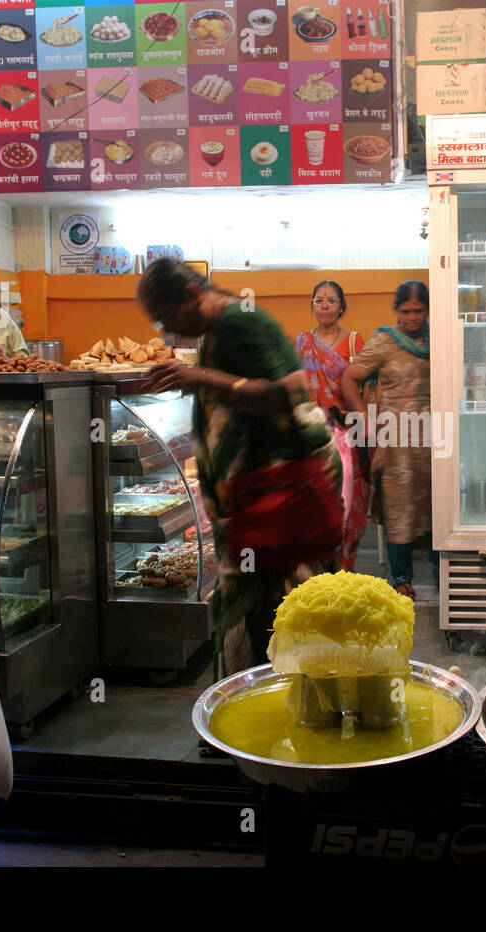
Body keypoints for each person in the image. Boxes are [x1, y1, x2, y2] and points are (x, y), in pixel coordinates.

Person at [135, 259, 341, 671]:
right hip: (260, 499)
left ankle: (275, 707)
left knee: (278, 616)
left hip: (278, 497)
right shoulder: (220, 326)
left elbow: (285, 393)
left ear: (191, 296)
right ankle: (268, 702)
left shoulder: (237, 322)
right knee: (267, 616)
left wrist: (197, 377)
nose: (169, 332)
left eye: (167, 319)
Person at [341, 280, 434, 600]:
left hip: (435, 440)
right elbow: (349, 378)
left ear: (427, 309)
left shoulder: (439, 338)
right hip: (396, 444)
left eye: (418, 311)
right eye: (406, 311)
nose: (412, 317)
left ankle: (443, 576)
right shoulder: (384, 341)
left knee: (439, 511)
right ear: (397, 310)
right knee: (399, 509)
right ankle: (402, 579)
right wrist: (363, 418)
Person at [293, 280, 369, 570]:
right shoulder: (303, 343)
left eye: (331, 300)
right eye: (319, 300)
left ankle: (344, 571)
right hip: (313, 438)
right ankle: (316, 576)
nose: (324, 305)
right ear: (312, 305)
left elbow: (363, 388)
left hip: (348, 436)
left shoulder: (354, 342)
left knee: (349, 503)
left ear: (341, 307)